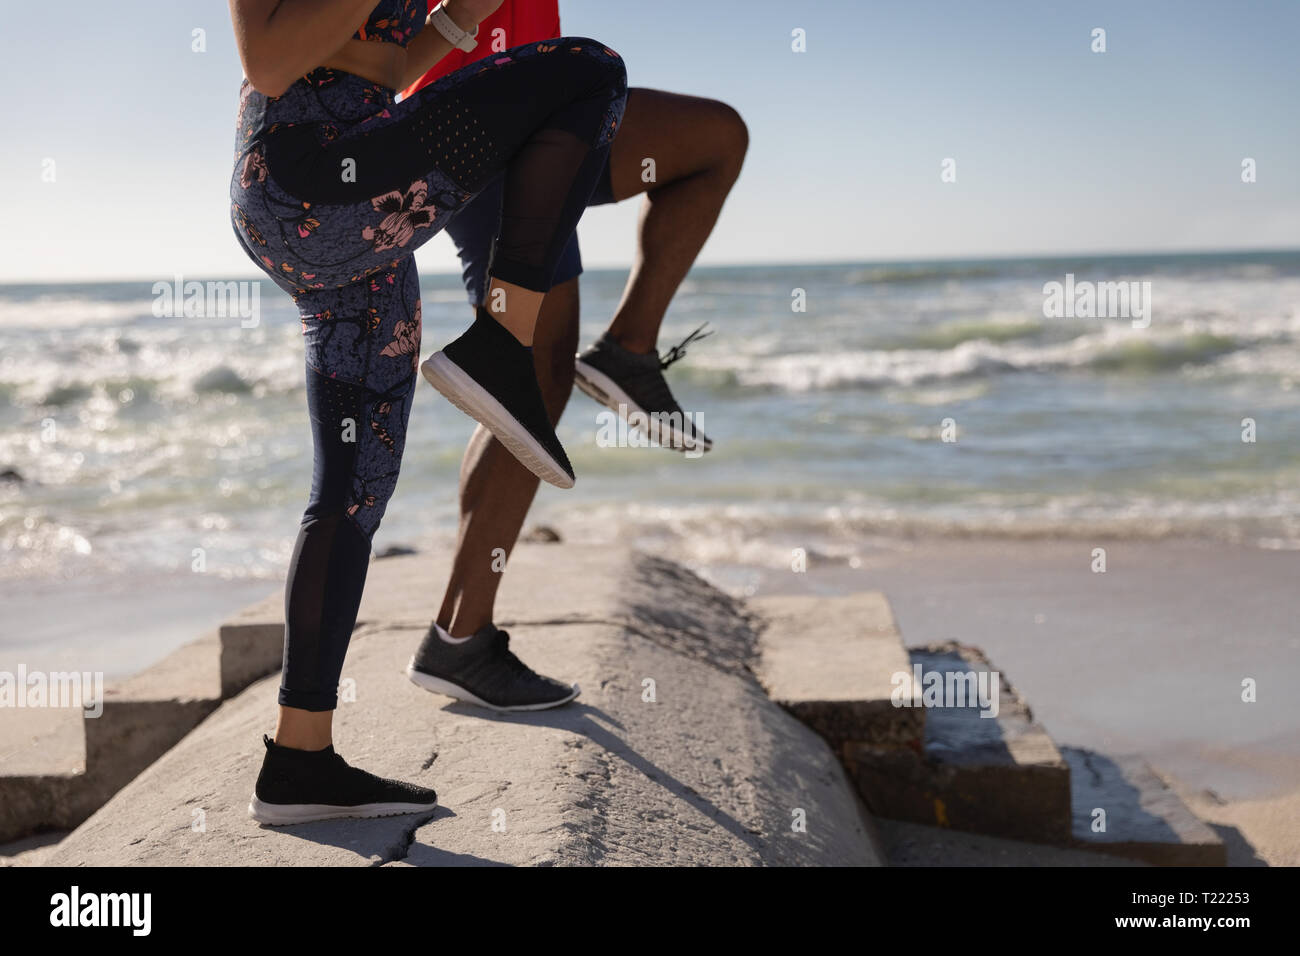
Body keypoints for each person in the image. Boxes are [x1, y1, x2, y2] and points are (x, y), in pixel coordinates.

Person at [227, 0, 627, 824]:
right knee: (587, 68)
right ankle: (502, 343)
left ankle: (300, 758)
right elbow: (268, 62)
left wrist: (458, 19)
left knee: (352, 492)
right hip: (309, 176)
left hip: (370, 208)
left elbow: (387, 70)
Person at [400, 1, 748, 710]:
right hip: (475, 122)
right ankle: (460, 638)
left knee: (714, 138)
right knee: (529, 379)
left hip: (554, 116)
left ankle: (629, 347)